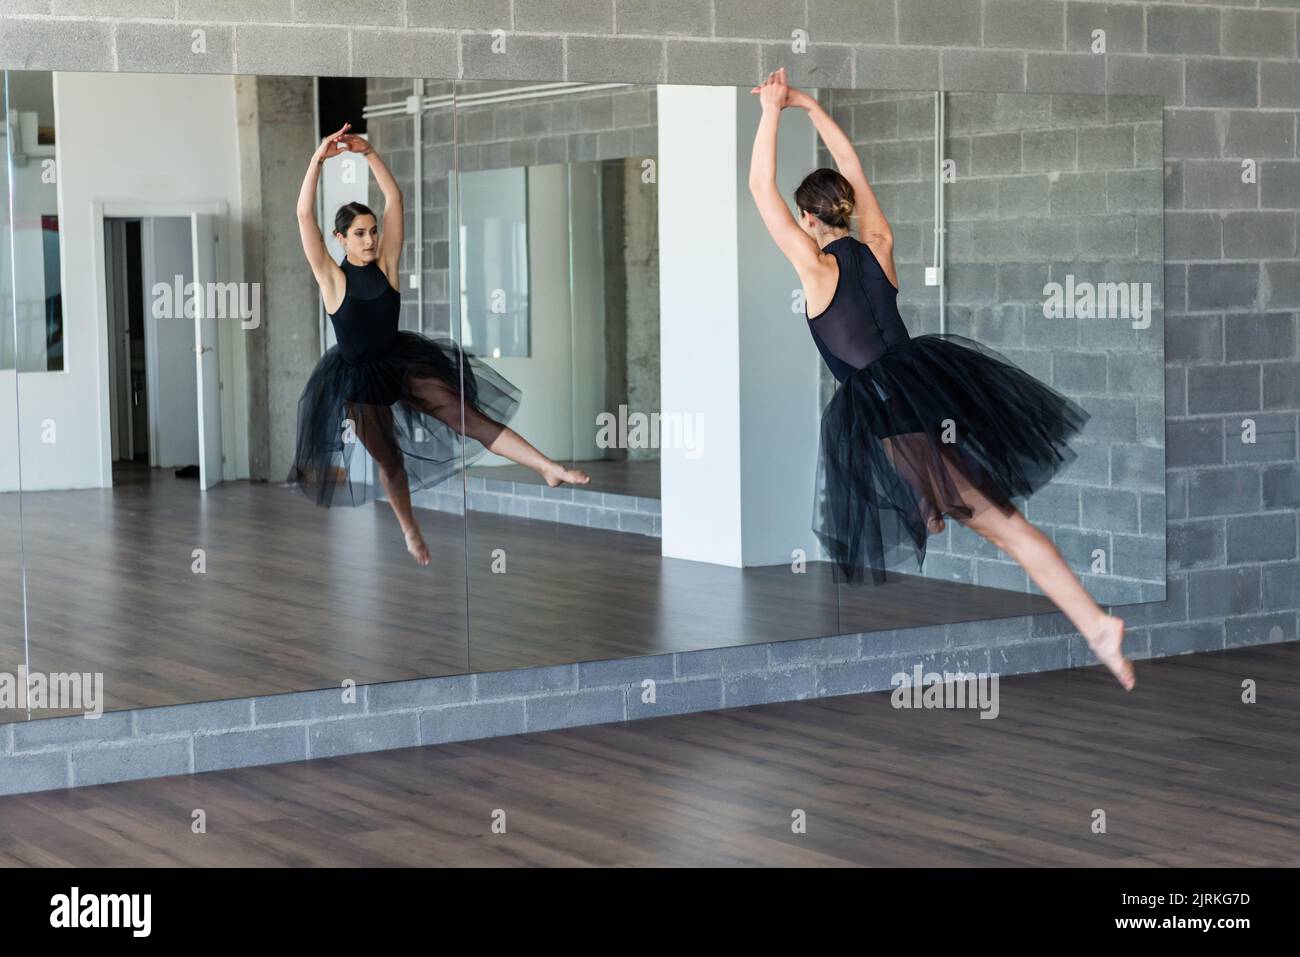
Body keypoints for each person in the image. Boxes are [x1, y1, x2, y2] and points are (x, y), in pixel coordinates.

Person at [748, 69, 1134, 691]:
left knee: (1004, 527)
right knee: (967, 507)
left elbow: (757, 185)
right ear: (843, 206)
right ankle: (933, 503)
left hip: (892, 408)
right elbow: (849, 163)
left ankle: (1094, 624)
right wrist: (810, 106)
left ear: (807, 217)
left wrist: (772, 110)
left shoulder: (815, 267)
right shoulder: (880, 244)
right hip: (929, 392)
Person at [288, 123, 589, 564]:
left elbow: (395, 200)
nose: (371, 239)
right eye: (360, 234)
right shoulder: (332, 278)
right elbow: (302, 217)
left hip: (402, 362)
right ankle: (410, 530)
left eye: (373, 231)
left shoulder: (387, 262)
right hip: (358, 378)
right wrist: (317, 159)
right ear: (341, 239)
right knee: (390, 461)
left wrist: (369, 152)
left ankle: (547, 466)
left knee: (467, 415)